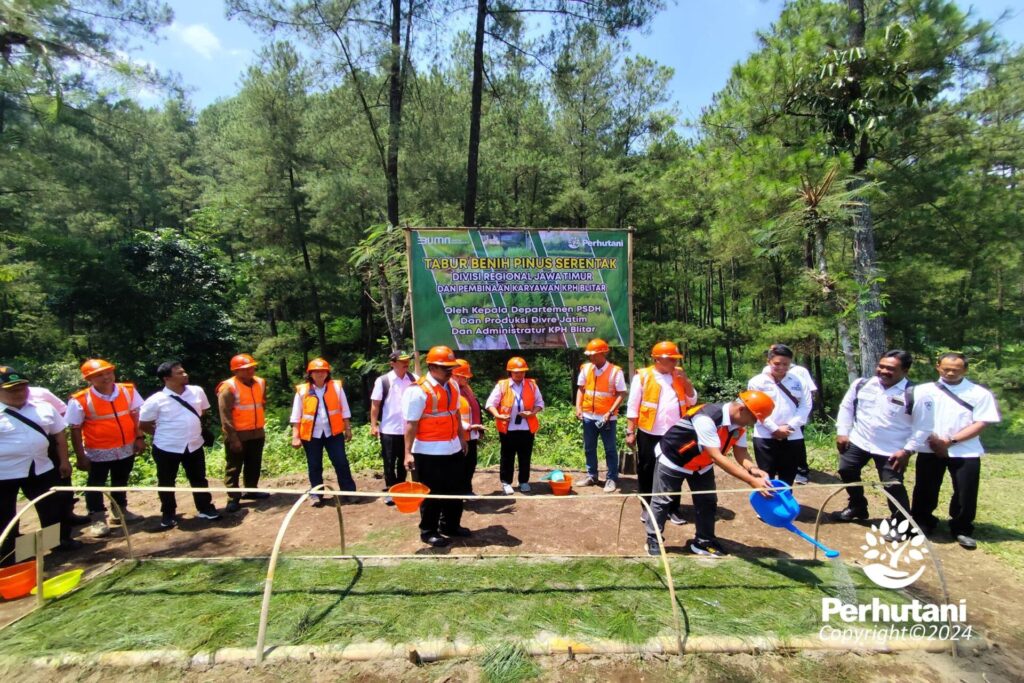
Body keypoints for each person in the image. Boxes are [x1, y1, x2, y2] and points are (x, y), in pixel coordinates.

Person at [644, 391, 774, 557]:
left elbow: (741, 451)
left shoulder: (739, 426)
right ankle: (653, 538)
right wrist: (751, 481)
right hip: (674, 458)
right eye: (754, 418)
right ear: (742, 409)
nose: (753, 423)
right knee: (663, 500)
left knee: (707, 501)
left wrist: (752, 469)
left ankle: (703, 541)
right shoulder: (707, 418)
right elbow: (717, 456)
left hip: (702, 464)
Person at [911, 353, 1000, 549]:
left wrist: (950, 441)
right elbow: (914, 417)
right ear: (938, 367)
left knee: (965, 492)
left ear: (965, 370)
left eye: (956, 369)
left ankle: (961, 528)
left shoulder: (979, 393)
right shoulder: (923, 390)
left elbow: (981, 422)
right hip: (929, 447)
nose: (950, 372)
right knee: (925, 487)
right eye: (946, 369)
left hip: (965, 450)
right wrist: (933, 440)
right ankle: (923, 521)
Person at [834, 350, 933, 526]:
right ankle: (858, 506)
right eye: (881, 366)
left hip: (893, 448)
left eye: (891, 368)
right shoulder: (862, 384)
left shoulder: (915, 393)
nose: (883, 371)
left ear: (905, 370)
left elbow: (923, 427)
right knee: (846, 470)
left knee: (892, 485)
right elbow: (846, 407)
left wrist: (907, 451)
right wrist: (843, 431)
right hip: (860, 441)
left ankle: (901, 524)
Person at [0, 366, 78, 564]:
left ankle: (57, 541)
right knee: (5, 515)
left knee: (52, 507)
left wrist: (64, 460)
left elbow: (59, 434)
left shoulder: (43, 407)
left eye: (22, 388)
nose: (19, 393)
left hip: (41, 467)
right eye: (12, 389)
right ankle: (10, 553)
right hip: (4, 473)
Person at [66, 359, 145, 538]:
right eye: (99, 375)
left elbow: (135, 415)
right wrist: (80, 456)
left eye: (108, 372)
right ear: (89, 379)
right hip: (97, 451)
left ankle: (120, 510)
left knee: (121, 479)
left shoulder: (127, 390)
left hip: (126, 447)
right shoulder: (80, 399)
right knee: (96, 484)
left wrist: (139, 437)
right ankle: (98, 518)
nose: (106, 377)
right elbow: (75, 429)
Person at [139, 360, 222, 529]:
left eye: (184, 372)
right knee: (166, 481)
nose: (185, 375)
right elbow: (144, 424)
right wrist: (164, 434)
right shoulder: (156, 400)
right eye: (179, 373)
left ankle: (205, 507)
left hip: (194, 444)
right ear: (166, 378)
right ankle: (168, 514)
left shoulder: (197, 391)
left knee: (199, 478)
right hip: (166, 447)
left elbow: (203, 411)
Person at [402, 346, 469, 547]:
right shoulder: (417, 391)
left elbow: (455, 414)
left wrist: (462, 438)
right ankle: (428, 531)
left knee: (455, 491)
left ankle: (450, 525)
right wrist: (407, 453)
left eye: (451, 367)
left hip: (452, 448)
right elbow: (411, 425)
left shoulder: (454, 386)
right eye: (444, 367)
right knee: (432, 494)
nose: (449, 371)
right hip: (428, 451)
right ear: (431, 366)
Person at [625, 341, 698, 525]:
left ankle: (673, 508)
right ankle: (647, 507)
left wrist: (685, 380)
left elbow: (692, 399)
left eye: (675, 358)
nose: (674, 362)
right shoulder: (643, 376)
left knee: (674, 470)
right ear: (657, 359)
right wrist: (630, 431)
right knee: (648, 469)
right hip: (649, 431)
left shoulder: (679, 375)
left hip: (676, 433)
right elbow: (633, 406)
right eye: (670, 359)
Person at [290, 358, 355, 507]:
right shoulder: (302, 391)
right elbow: (296, 415)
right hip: (311, 435)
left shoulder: (336, 387)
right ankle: (316, 494)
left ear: (327, 373)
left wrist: (348, 428)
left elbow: (344, 410)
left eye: (323, 371)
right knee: (314, 465)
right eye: (316, 371)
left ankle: (349, 492)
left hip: (334, 433)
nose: (320, 374)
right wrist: (295, 436)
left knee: (341, 462)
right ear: (310, 374)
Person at [747, 344, 813, 486]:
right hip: (765, 435)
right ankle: (767, 507)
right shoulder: (757, 382)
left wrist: (790, 426)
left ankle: (785, 506)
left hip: (792, 435)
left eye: (786, 364)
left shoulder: (799, 381)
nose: (782, 367)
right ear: (769, 362)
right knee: (766, 477)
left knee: (787, 477)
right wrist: (774, 429)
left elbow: (806, 406)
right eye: (777, 364)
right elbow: (754, 408)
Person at [29, 383, 90, 532]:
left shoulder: (41, 394)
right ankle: (9, 544)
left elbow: (63, 413)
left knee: (56, 492)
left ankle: (64, 524)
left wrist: (64, 459)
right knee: (5, 507)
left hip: (49, 450)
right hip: (7, 466)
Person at [217, 353, 269, 513]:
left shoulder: (260, 383)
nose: (250, 371)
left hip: (256, 432)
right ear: (236, 371)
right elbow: (225, 416)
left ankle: (251, 490)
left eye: (251, 367)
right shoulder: (228, 387)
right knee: (234, 467)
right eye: (245, 369)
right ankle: (233, 498)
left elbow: (262, 404)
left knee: (254, 463)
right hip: (237, 434)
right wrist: (233, 438)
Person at [575, 338, 628, 492]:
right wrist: (578, 407)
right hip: (588, 417)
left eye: (594, 354)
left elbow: (622, 393)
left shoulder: (615, 371)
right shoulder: (586, 369)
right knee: (589, 447)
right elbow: (581, 389)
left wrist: (609, 412)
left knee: (610, 449)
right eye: (590, 355)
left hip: (607, 419)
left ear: (603, 353)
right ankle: (592, 475)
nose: (591, 357)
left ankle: (611, 478)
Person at [486, 356, 544, 495]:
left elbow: (540, 404)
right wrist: (498, 415)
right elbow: (490, 404)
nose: (519, 374)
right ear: (510, 372)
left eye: (522, 371)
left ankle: (523, 481)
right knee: (507, 456)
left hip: (526, 428)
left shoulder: (532, 384)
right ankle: (506, 482)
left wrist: (532, 413)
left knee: (525, 456)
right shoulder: (502, 385)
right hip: (508, 428)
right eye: (516, 372)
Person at [370, 350, 417, 505]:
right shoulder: (383, 381)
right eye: (402, 360)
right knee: (389, 461)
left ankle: (401, 488)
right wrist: (373, 425)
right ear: (392, 363)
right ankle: (391, 489)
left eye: (407, 360)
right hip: (389, 429)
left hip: (408, 429)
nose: (406, 363)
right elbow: (375, 405)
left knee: (405, 460)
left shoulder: (414, 379)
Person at [454, 359, 484, 496]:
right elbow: (453, 414)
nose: (467, 379)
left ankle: (466, 489)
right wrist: (469, 426)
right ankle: (459, 491)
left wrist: (478, 427)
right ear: (456, 375)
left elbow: (474, 408)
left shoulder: (466, 389)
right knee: (459, 466)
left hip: (471, 434)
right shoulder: (451, 390)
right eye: (464, 377)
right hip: (458, 436)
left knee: (471, 464)